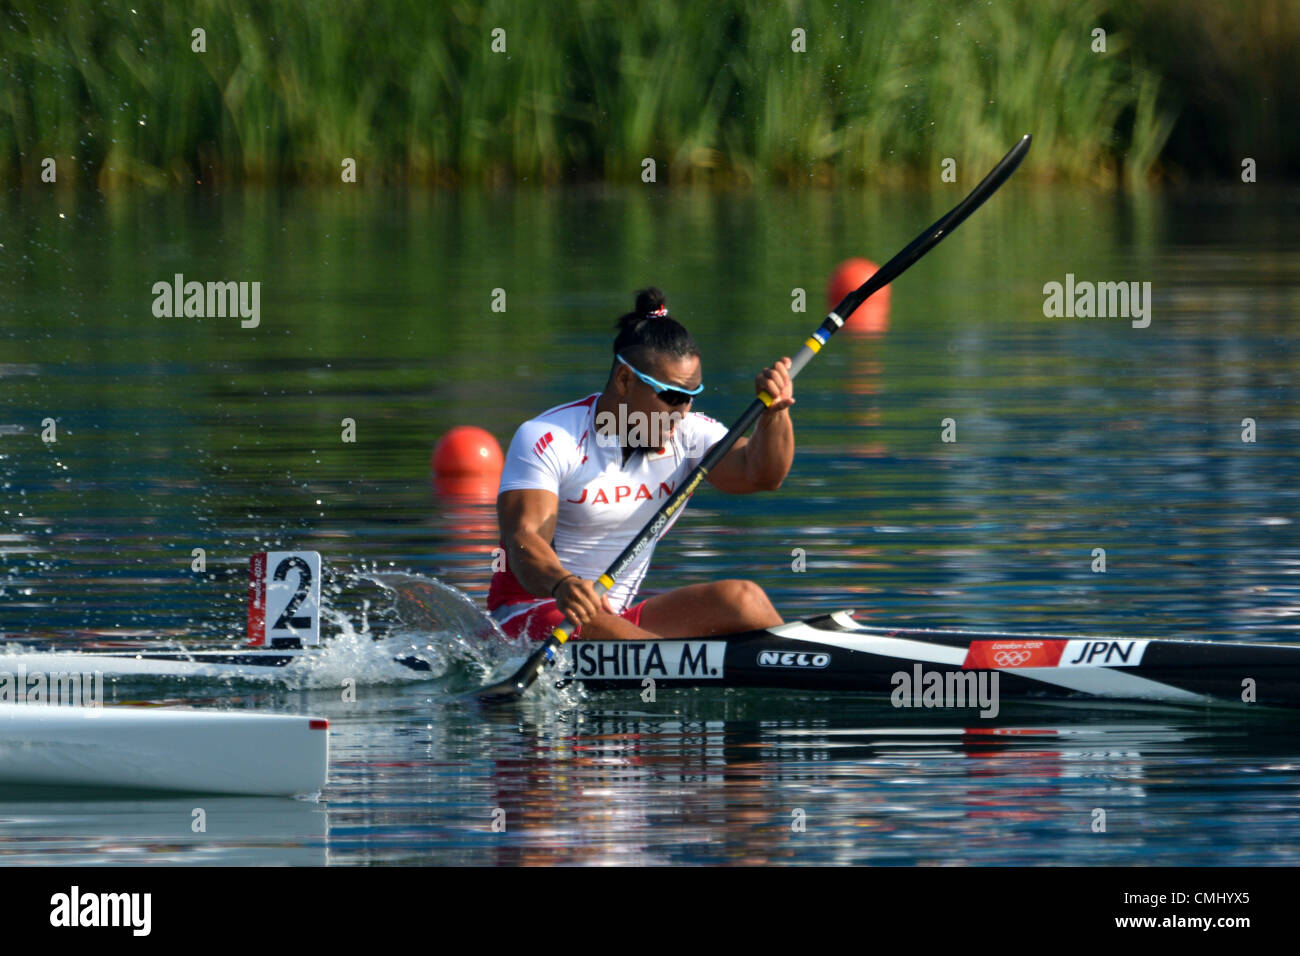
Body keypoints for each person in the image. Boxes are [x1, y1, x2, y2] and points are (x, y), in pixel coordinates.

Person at [487, 287, 795, 640]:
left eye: (691, 398)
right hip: (534, 613)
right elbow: (523, 539)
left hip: (613, 620)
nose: (682, 412)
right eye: (672, 397)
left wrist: (773, 416)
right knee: (626, 637)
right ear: (624, 380)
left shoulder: (689, 434)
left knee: (745, 600)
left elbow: (762, 475)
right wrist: (564, 584)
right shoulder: (549, 437)